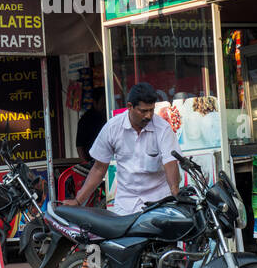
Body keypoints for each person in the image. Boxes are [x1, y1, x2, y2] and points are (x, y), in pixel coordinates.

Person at [73, 82, 180, 216]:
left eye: (151, 110)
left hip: (159, 202)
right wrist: (78, 201)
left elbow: (170, 164)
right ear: (130, 106)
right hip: (127, 205)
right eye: (143, 111)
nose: (148, 116)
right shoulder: (112, 128)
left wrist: (176, 194)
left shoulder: (163, 128)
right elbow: (99, 169)